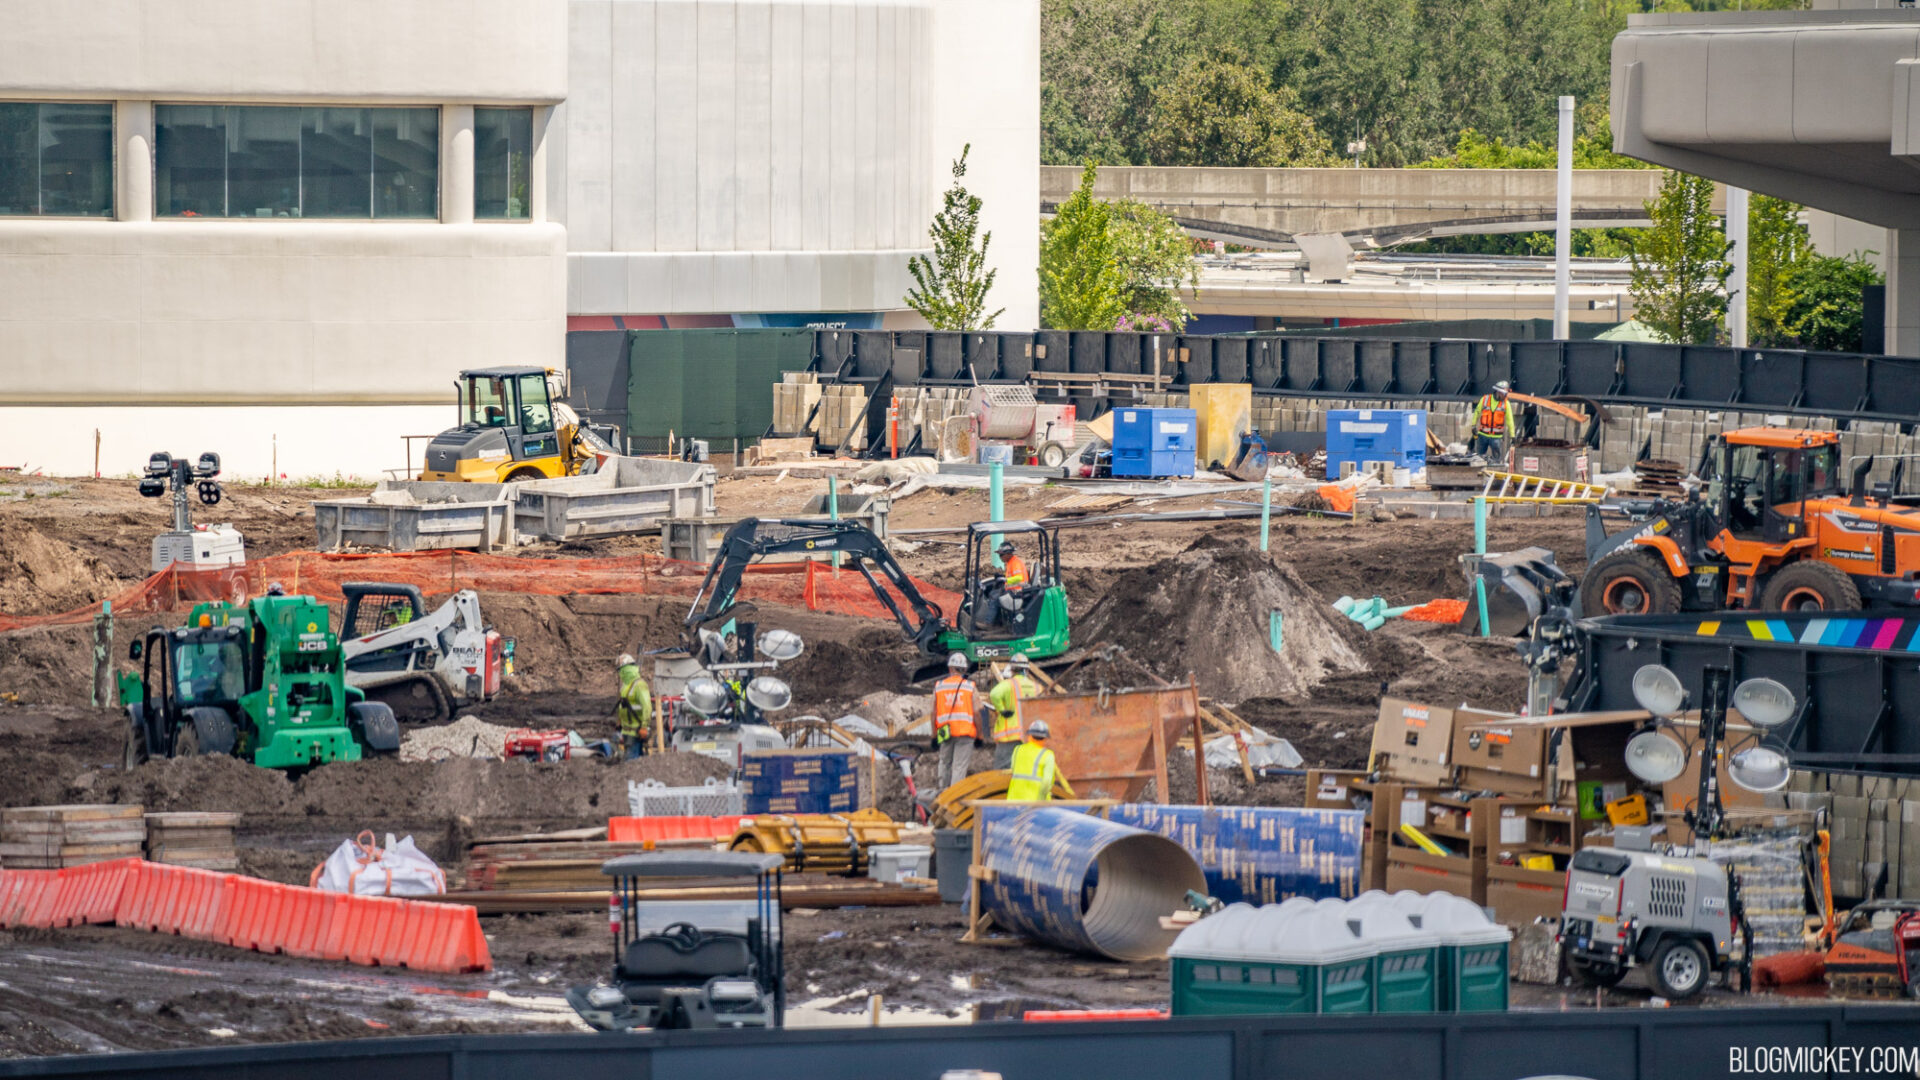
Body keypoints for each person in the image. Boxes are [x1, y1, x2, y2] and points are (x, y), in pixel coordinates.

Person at [932, 652, 983, 792]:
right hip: (965, 733)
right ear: (965, 669)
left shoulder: (939, 686)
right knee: (959, 767)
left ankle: (942, 793)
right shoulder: (970, 687)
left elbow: (934, 713)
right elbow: (976, 713)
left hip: (945, 732)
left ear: (950, 668)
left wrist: (934, 735)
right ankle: (954, 796)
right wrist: (980, 735)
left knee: (944, 763)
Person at [989, 655, 1042, 769]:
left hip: (1010, 735)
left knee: (1003, 770)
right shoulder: (1037, 687)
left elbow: (994, 694)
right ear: (1027, 670)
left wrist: (1002, 710)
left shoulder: (1008, 684)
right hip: (1030, 735)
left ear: (1012, 669)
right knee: (1027, 768)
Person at [1006, 720, 1074, 802]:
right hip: (1035, 804)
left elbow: (1013, 770)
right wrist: (1041, 800)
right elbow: (1046, 783)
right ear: (1045, 738)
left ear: (1030, 735)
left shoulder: (1017, 750)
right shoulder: (1048, 755)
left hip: (1014, 801)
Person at [614, 653, 652, 760]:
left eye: (620, 670)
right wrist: (619, 722)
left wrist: (644, 727)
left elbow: (647, 707)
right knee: (632, 761)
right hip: (626, 731)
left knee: (632, 762)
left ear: (625, 669)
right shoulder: (625, 686)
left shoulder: (639, 685)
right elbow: (624, 706)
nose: (619, 673)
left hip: (636, 732)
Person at [1471, 381, 1517, 466]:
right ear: (1498, 392)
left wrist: (1512, 436)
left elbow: (1510, 421)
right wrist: (1473, 425)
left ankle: (1495, 477)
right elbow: (1477, 412)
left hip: (1496, 438)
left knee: (1496, 462)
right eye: (1504, 394)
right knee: (1479, 459)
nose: (1505, 396)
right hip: (1482, 435)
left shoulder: (1506, 404)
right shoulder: (1485, 399)